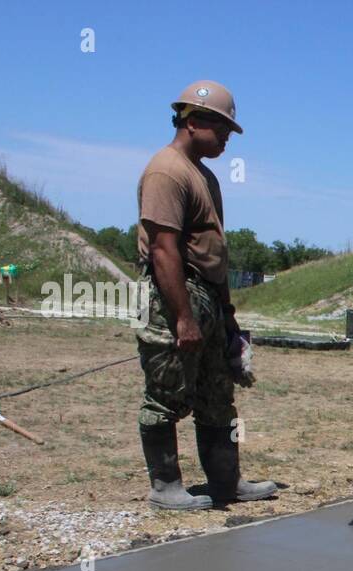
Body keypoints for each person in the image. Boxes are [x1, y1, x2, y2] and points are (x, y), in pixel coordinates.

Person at [134, 80, 275, 510]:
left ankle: (226, 482)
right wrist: (182, 317)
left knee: (217, 395)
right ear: (194, 121)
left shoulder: (204, 176)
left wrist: (226, 316)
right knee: (167, 392)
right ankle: (165, 487)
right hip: (175, 296)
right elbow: (163, 249)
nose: (228, 140)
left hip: (207, 297)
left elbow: (214, 251)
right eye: (223, 130)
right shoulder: (167, 170)